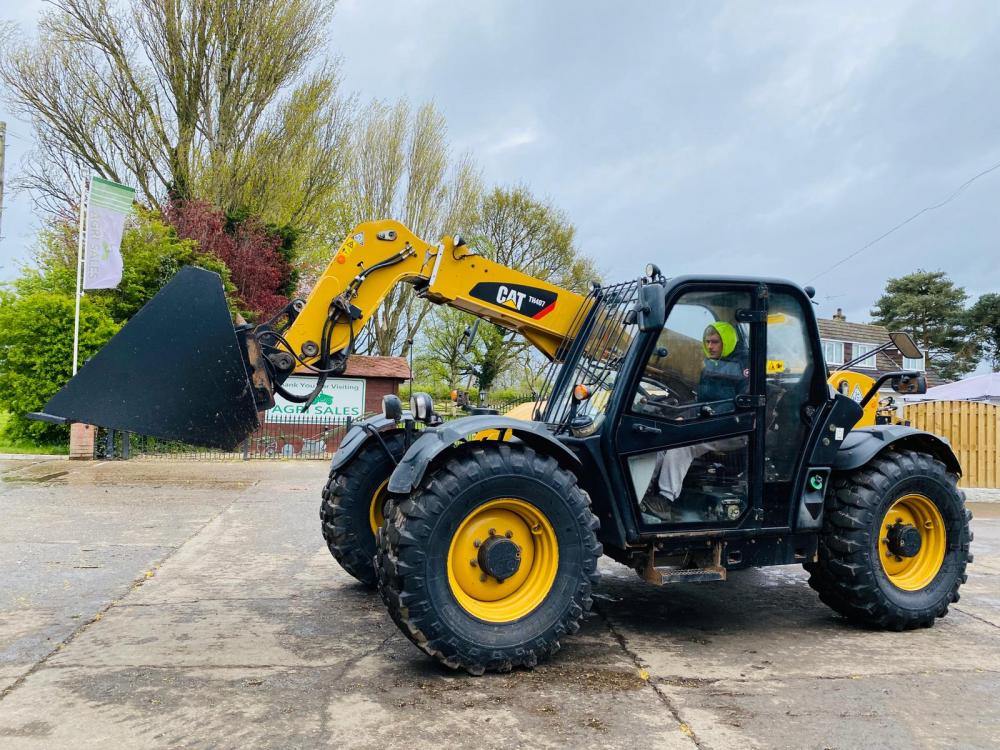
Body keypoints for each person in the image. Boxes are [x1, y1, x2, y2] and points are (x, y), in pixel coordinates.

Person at [643, 321, 748, 521]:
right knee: (662, 435)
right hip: (708, 422)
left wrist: (701, 416)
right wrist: (684, 414)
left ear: (728, 341)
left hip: (735, 426)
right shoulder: (709, 365)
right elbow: (701, 400)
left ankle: (665, 500)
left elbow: (739, 403)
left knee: (682, 444)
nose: (710, 346)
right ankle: (644, 491)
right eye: (707, 342)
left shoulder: (744, 366)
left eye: (715, 342)